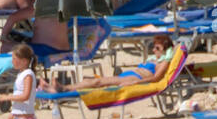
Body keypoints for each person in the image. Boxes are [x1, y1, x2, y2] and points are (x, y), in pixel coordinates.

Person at [41, 35, 171, 91]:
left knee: (97, 82)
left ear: (165, 49)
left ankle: (63, 88)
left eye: (157, 48)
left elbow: (156, 78)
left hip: (135, 78)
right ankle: (55, 88)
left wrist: (135, 83)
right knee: (90, 80)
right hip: (129, 75)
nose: (153, 50)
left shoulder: (163, 62)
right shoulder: (155, 59)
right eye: (153, 47)